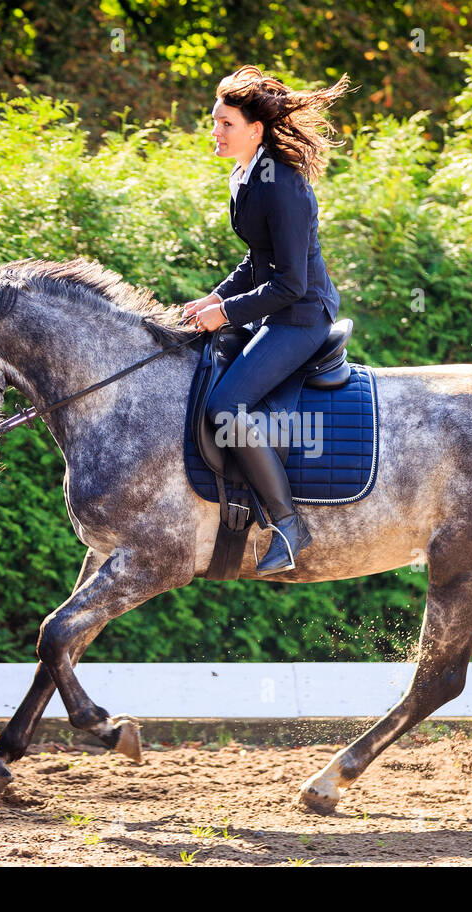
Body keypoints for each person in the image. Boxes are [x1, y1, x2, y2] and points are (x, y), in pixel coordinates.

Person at [183, 65, 352, 575]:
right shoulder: (248, 174)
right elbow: (257, 261)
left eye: (226, 123)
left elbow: (291, 284)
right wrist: (210, 300)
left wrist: (227, 313)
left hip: (301, 317)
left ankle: (288, 524)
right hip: (276, 308)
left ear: (254, 130)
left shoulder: (281, 185)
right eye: (214, 120)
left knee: (226, 406)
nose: (215, 130)